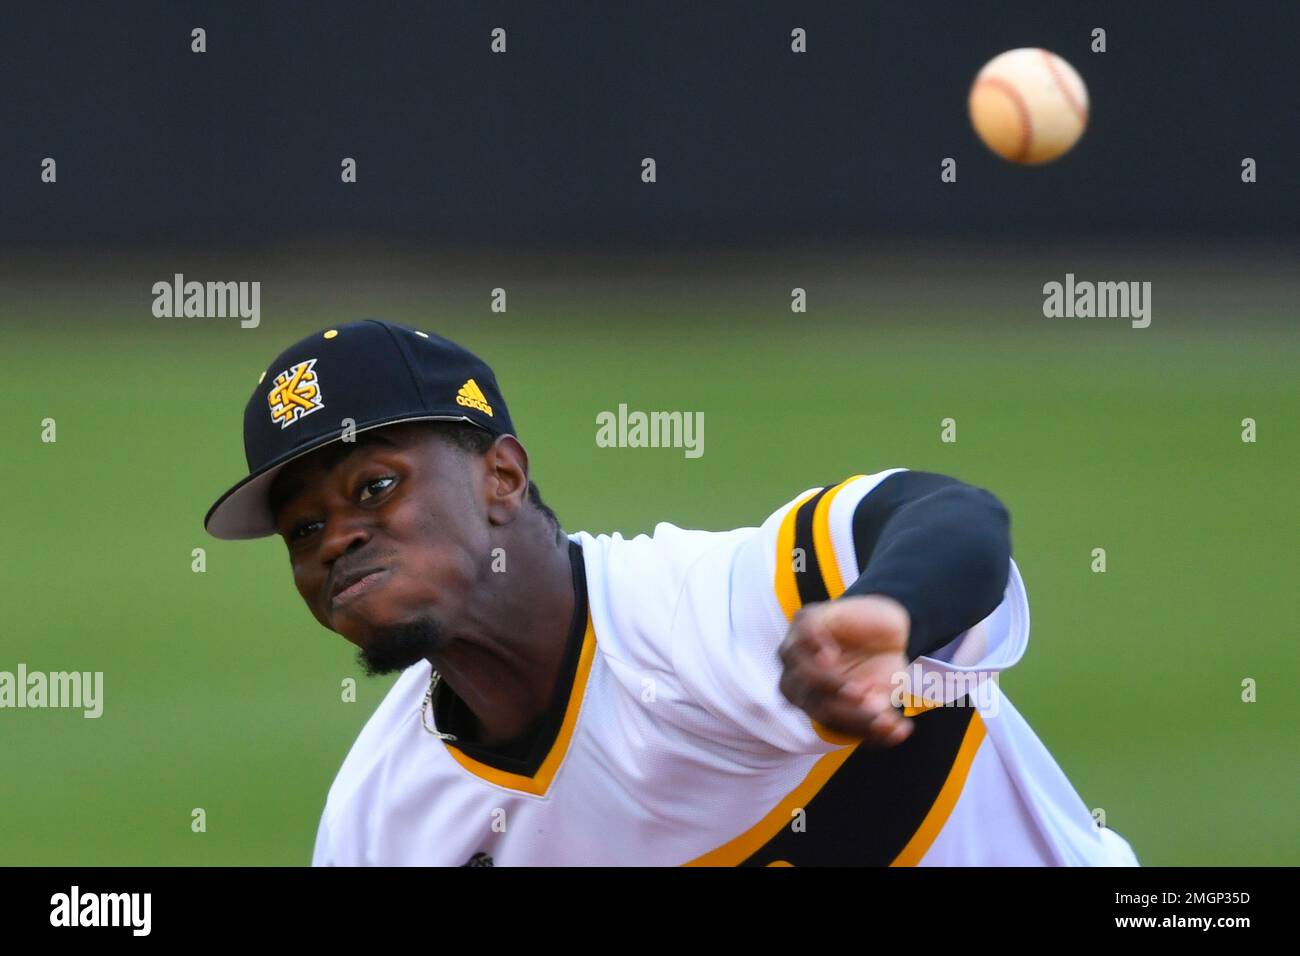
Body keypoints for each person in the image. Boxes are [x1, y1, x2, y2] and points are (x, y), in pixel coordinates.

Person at [204, 318, 1139, 866]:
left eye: (374, 487)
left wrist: (889, 610)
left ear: (501, 476)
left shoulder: (692, 616)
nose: (339, 540)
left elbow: (946, 514)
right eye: (303, 530)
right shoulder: (384, 823)